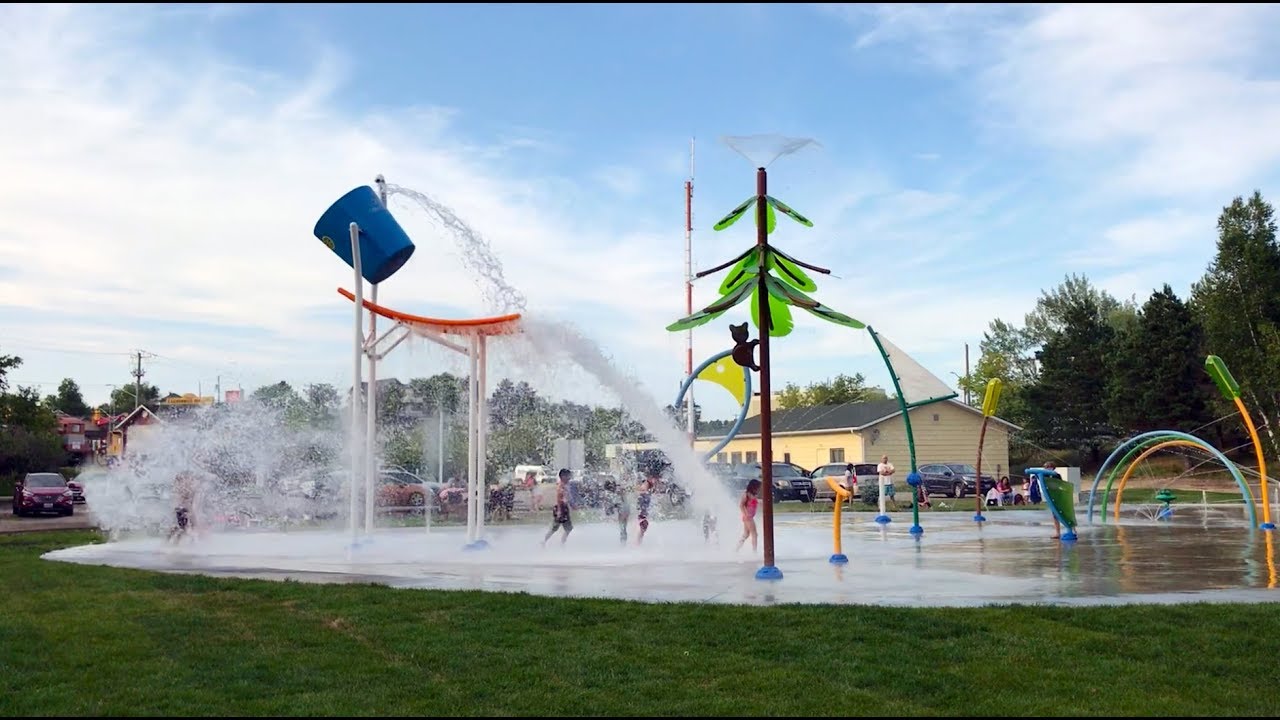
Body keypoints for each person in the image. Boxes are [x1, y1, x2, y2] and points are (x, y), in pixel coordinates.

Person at [542, 468, 574, 546]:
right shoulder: (561, 486)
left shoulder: (565, 485)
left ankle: (560, 543)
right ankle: (545, 542)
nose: (570, 478)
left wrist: (571, 504)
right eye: (568, 476)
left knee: (567, 528)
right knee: (556, 528)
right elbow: (559, 499)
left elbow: (567, 497)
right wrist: (560, 510)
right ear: (563, 476)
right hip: (561, 508)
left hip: (563, 508)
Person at [167, 471, 199, 543]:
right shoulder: (185, 488)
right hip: (182, 510)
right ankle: (173, 542)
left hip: (184, 510)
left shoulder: (187, 489)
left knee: (181, 528)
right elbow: (185, 502)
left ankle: (174, 542)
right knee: (181, 528)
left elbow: (190, 503)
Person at [635, 468, 659, 545]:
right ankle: (638, 543)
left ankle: (638, 542)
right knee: (644, 525)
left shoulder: (649, 486)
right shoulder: (645, 485)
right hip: (642, 511)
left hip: (643, 511)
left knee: (644, 526)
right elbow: (640, 489)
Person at [602, 477, 630, 544]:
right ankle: (623, 537)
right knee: (623, 525)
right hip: (621, 506)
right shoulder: (610, 493)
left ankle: (623, 537)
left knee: (623, 525)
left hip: (623, 507)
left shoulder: (617, 491)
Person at [736, 479, 761, 553]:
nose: (758, 488)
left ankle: (736, 549)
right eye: (757, 487)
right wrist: (745, 514)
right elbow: (741, 505)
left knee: (746, 534)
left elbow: (756, 502)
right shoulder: (746, 495)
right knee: (755, 534)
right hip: (748, 517)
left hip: (749, 517)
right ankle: (754, 552)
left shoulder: (754, 494)